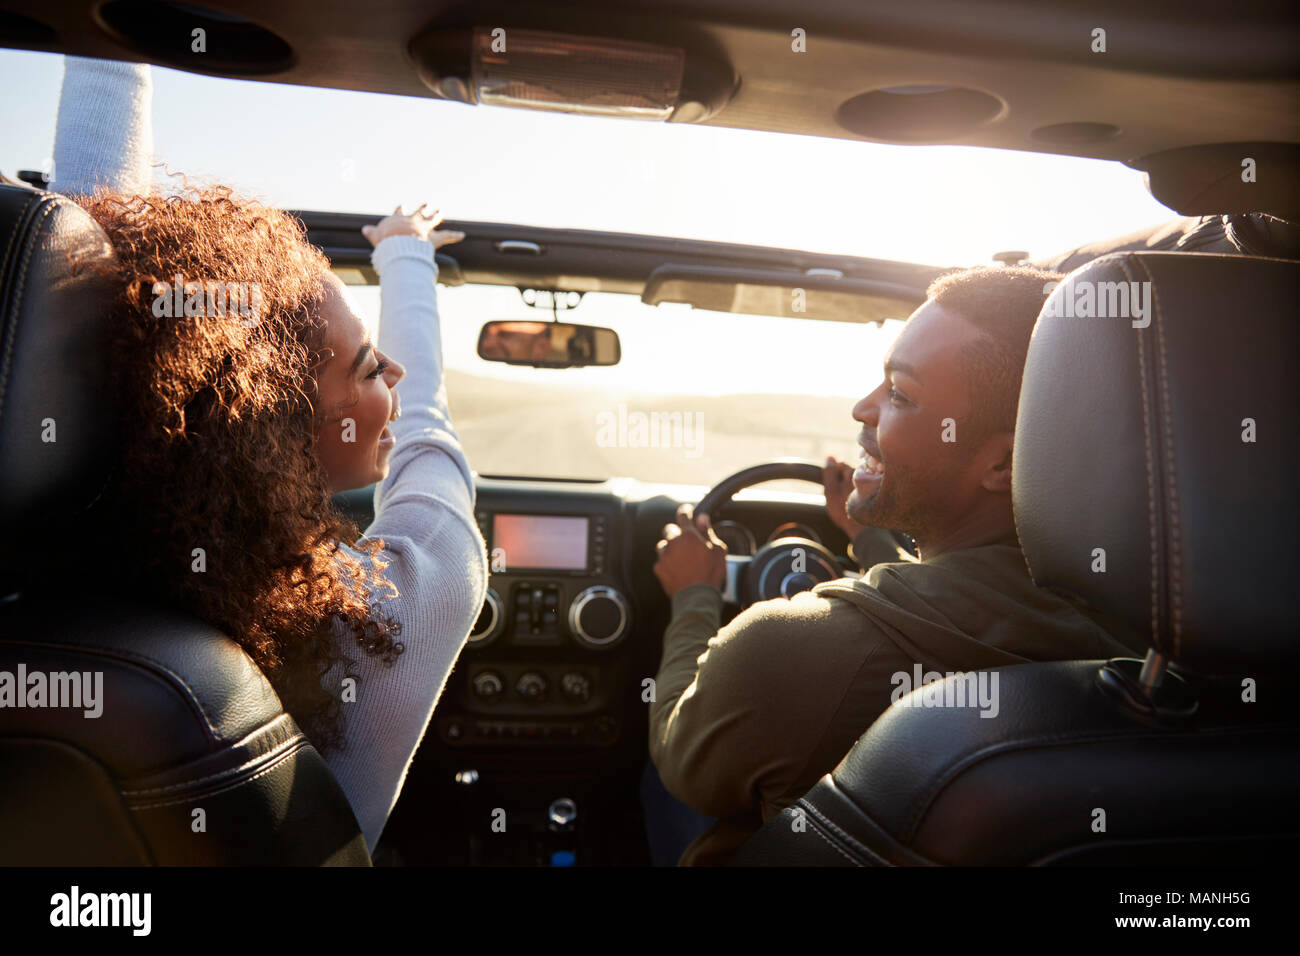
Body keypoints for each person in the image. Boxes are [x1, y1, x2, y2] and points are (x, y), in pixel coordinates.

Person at [50, 56, 487, 854]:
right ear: (277, 435)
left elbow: (82, 290)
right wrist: (405, 251)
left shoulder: (48, 576)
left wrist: (109, 45)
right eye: (364, 367)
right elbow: (427, 424)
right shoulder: (383, 627)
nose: (388, 368)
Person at [649, 264, 1144, 865]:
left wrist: (693, 598)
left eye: (900, 395)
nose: (863, 409)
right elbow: (981, 602)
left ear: (1003, 462)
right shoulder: (1156, 635)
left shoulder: (788, 651)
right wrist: (870, 537)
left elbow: (680, 757)